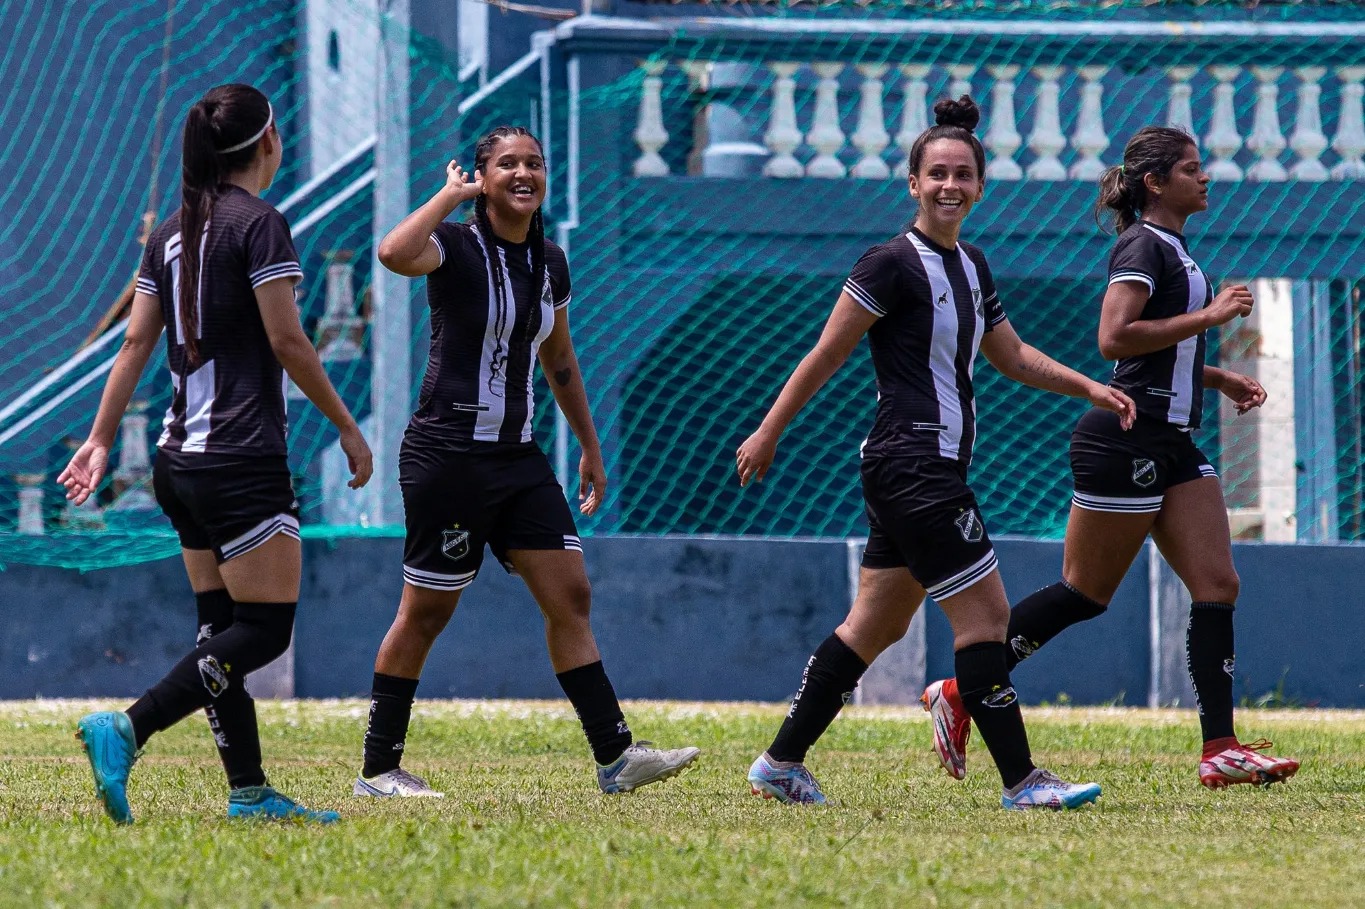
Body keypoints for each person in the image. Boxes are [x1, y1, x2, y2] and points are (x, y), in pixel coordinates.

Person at [735, 97, 1135, 811]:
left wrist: (1088, 388)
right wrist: (768, 430)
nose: (949, 185)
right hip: (910, 464)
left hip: (925, 469)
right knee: (985, 621)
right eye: (935, 174)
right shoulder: (888, 263)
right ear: (912, 184)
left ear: (981, 186)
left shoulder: (972, 265)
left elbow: (1009, 355)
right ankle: (1022, 781)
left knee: (876, 624)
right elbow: (826, 353)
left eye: (962, 175)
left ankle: (779, 761)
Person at [921, 126, 1300, 791]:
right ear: (1154, 183)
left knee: (1218, 584)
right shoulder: (1141, 244)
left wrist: (1216, 377)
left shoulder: (1173, 248)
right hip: (1122, 438)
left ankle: (1220, 747)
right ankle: (963, 686)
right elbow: (1112, 337)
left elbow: (1149, 354)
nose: (1203, 177)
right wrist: (1209, 316)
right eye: (1190, 168)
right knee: (1084, 592)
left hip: (1170, 438)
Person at [355, 126, 699, 798]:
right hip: (446, 455)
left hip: (518, 459)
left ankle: (616, 757)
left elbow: (559, 359)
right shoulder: (454, 244)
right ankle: (378, 768)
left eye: (534, 163)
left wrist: (591, 448)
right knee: (425, 612)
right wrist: (448, 196)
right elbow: (393, 252)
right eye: (506, 164)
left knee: (570, 593)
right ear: (481, 178)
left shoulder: (551, 261)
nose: (523, 174)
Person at [66, 83, 373, 824]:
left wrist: (100, 437)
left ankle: (249, 790)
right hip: (241, 458)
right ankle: (129, 727)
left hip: (180, 462)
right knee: (263, 628)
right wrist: (346, 425)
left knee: (220, 628)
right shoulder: (261, 224)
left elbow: (136, 341)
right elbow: (288, 339)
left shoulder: (169, 230)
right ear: (266, 144)